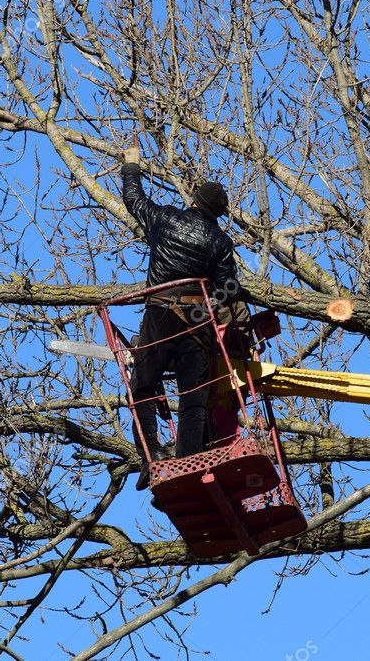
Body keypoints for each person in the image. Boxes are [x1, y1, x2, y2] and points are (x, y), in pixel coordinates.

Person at [121, 144, 240, 490]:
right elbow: (230, 289)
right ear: (218, 214)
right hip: (197, 324)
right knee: (194, 398)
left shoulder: (166, 218)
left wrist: (131, 167)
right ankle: (188, 466)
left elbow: (134, 200)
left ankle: (152, 454)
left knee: (142, 387)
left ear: (193, 201)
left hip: (159, 316)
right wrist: (206, 307)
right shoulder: (221, 242)